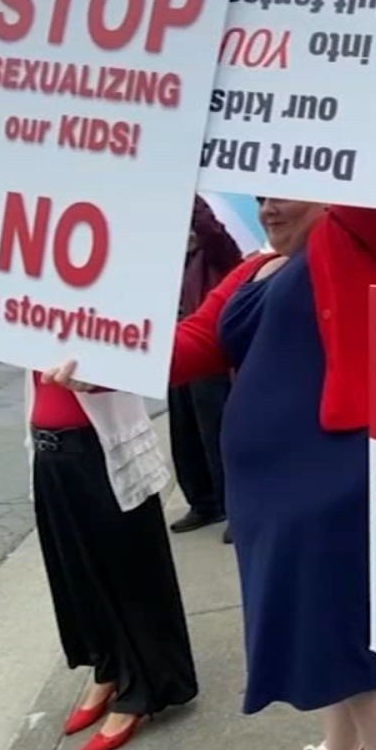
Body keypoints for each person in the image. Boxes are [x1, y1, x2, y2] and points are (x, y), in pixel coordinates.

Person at [47, 0, 376, 750]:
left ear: (338, 187)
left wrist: (324, 27)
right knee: (320, 636)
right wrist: (95, 360)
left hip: (337, 481)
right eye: (264, 187)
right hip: (267, 492)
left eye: (295, 183)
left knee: (357, 642)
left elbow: (374, 145)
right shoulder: (253, 266)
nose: (273, 199)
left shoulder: (360, 239)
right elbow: (189, 345)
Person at [0, 182, 199, 750]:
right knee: (79, 578)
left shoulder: (120, 282)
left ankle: (144, 692)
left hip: (103, 455)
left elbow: (148, 353)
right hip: (52, 455)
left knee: (130, 576)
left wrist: (100, 369)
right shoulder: (31, 293)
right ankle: (108, 669)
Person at [169, 196, 242, 543]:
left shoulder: (217, 251)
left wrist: (188, 189)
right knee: (185, 435)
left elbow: (208, 227)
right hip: (173, 347)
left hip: (206, 356)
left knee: (215, 434)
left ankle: (234, 508)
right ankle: (203, 503)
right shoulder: (169, 260)